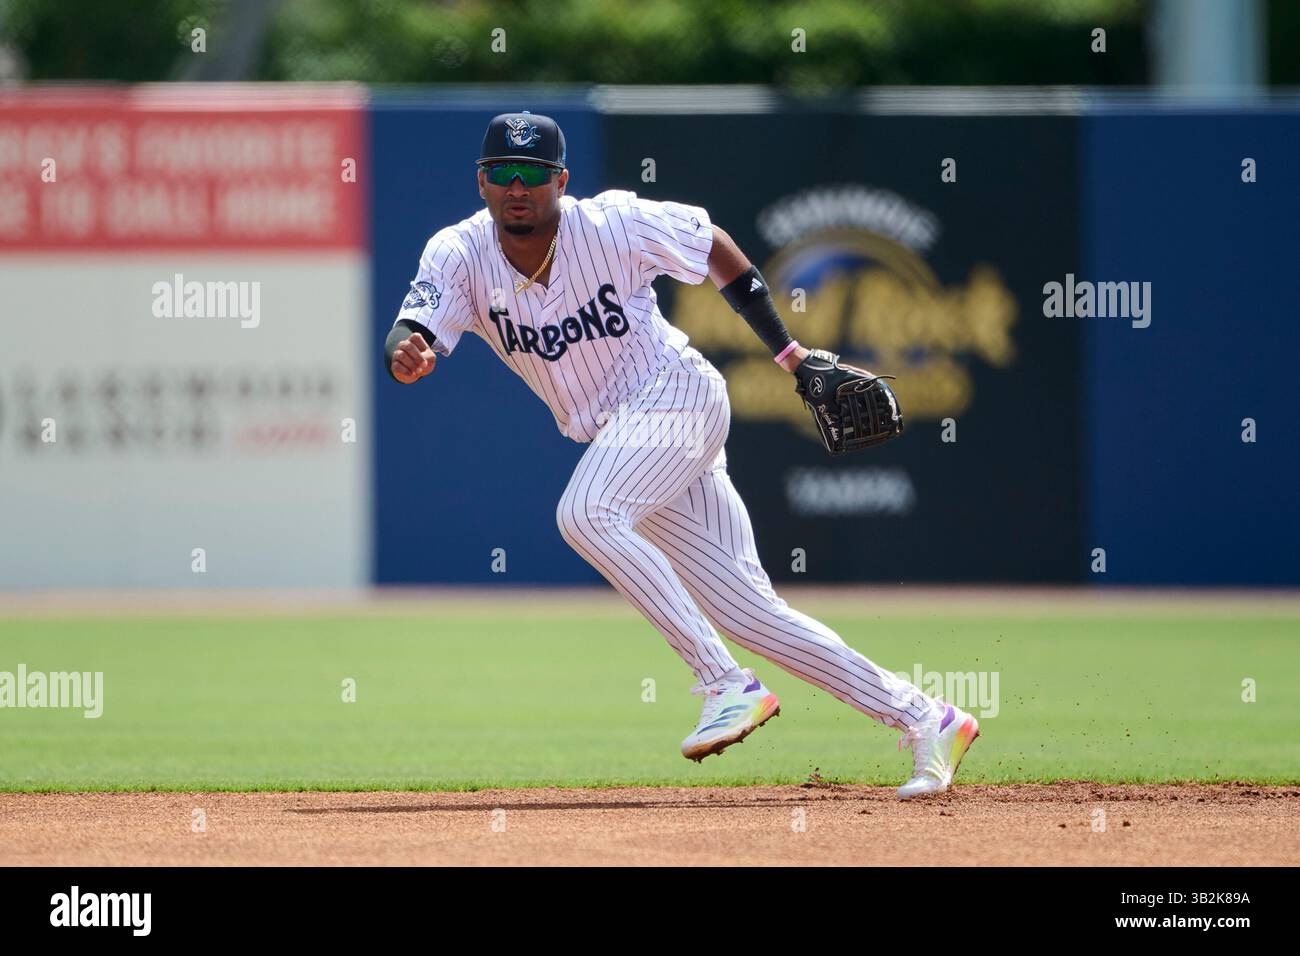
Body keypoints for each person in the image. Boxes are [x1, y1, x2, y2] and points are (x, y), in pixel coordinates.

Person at [385, 112, 979, 797]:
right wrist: (406, 353)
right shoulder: (457, 254)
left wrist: (790, 354)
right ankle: (928, 718)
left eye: (534, 175)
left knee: (585, 513)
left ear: (561, 181)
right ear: (482, 182)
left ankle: (725, 683)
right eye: (502, 174)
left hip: (678, 398)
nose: (518, 187)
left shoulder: (610, 224)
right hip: (625, 440)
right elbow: (415, 324)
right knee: (752, 614)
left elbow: (715, 246)